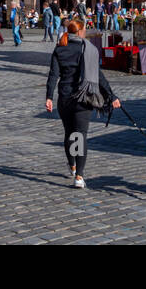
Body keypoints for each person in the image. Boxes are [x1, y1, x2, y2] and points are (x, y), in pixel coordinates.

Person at [45, 19, 120, 188]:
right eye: (84, 30)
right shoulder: (87, 49)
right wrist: (112, 96)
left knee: (69, 134)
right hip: (82, 97)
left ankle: (72, 165)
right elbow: (98, 76)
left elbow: (53, 75)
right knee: (80, 135)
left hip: (64, 98)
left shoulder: (59, 48)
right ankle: (79, 176)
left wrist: (49, 97)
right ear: (79, 32)